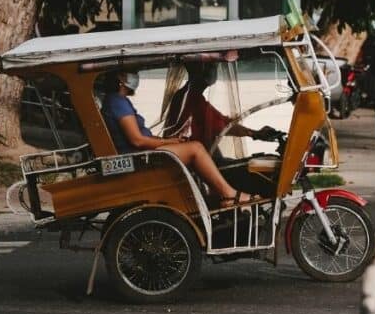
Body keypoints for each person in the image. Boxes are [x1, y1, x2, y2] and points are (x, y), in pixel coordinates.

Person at [101, 71, 255, 206]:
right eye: (132, 71)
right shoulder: (117, 102)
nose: (136, 76)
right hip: (138, 157)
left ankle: (215, 193)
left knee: (196, 148)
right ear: (120, 77)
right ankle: (229, 195)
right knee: (196, 148)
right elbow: (138, 140)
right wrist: (168, 141)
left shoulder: (118, 101)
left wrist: (172, 140)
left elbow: (144, 136)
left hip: (142, 153)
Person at [161, 62, 278, 151]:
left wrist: (255, 133)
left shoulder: (192, 95)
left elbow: (223, 122)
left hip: (199, 152)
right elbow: (221, 126)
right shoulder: (190, 97)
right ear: (202, 71)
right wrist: (254, 133)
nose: (214, 72)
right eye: (212, 67)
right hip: (193, 156)